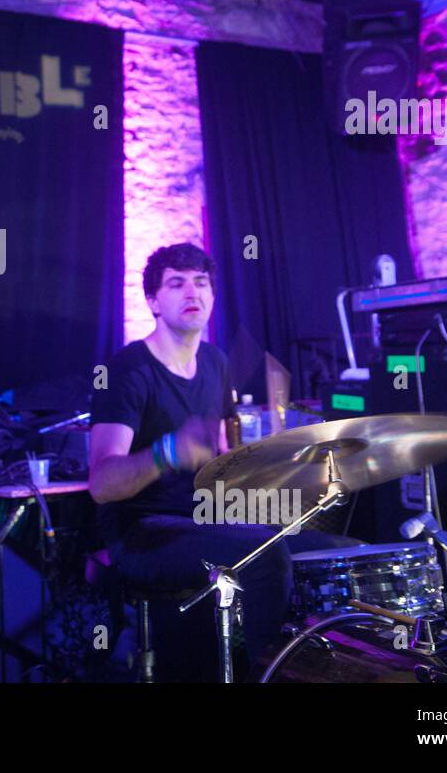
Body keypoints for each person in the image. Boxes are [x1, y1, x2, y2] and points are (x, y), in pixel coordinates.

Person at [89, 243, 350, 680]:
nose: (192, 292)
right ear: (153, 301)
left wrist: (282, 467)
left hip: (205, 520)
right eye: (177, 283)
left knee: (340, 555)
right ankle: (269, 675)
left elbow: (226, 463)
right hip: (142, 533)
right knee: (265, 557)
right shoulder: (129, 370)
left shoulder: (215, 362)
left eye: (201, 283)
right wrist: (167, 452)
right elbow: (101, 483)